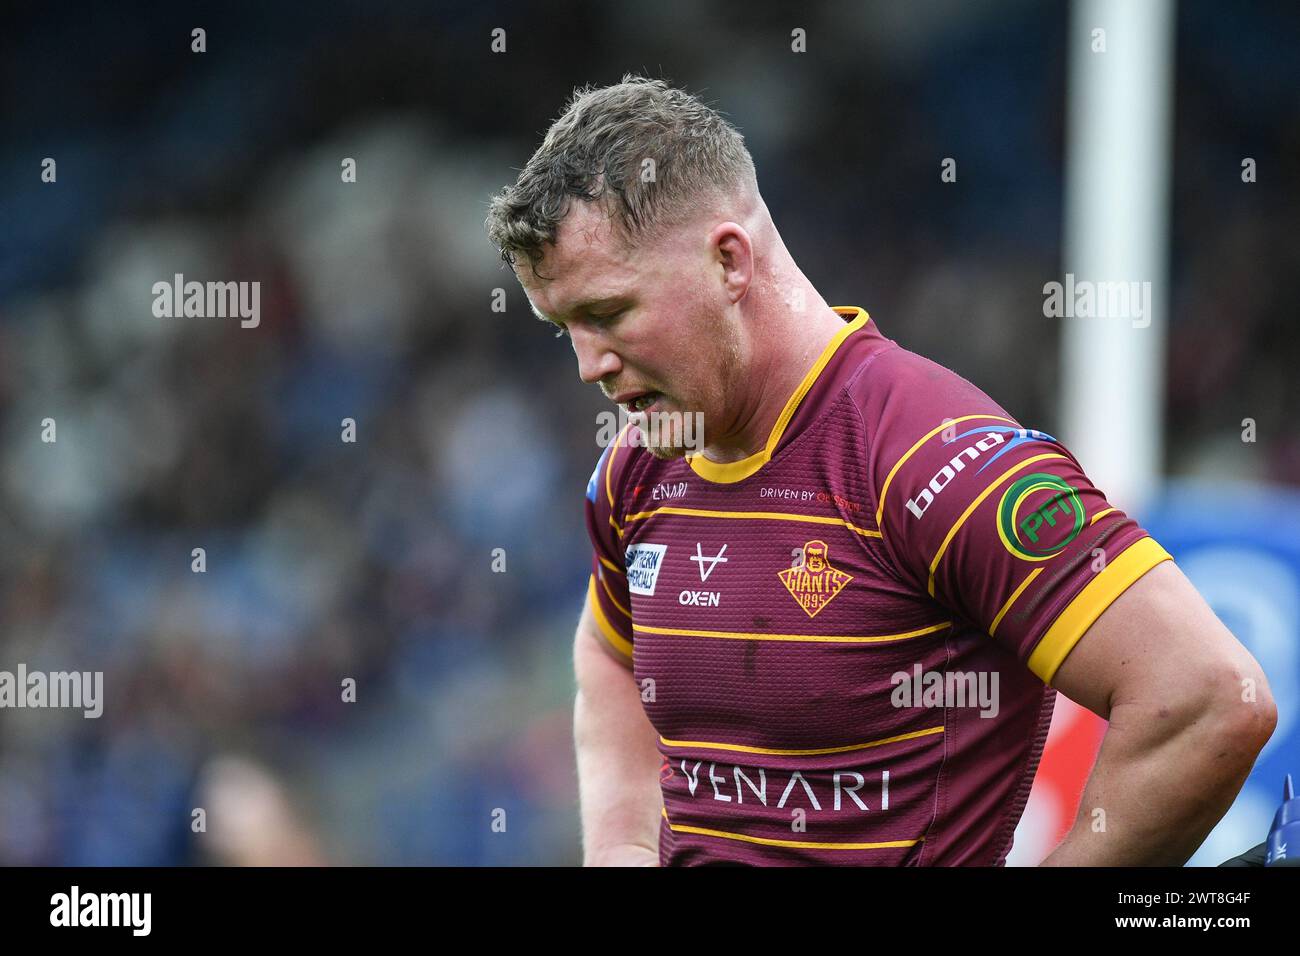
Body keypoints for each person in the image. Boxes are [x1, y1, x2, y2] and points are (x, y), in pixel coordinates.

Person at [484, 75, 1277, 866]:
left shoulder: (933, 459)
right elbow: (608, 654)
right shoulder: (637, 469)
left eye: (609, 314)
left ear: (729, 261)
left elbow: (1206, 700)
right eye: (565, 330)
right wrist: (621, 846)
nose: (589, 366)